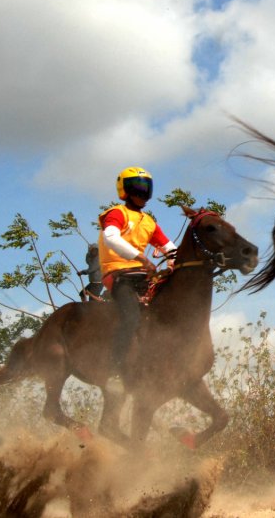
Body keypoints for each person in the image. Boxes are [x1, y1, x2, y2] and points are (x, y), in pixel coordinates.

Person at [97, 166, 176, 394]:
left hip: (143, 276)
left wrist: (173, 261)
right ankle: (114, 370)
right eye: (138, 187)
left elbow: (169, 247)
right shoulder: (117, 213)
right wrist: (140, 257)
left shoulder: (149, 222)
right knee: (131, 317)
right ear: (125, 190)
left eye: (146, 188)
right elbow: (111, 237)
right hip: (118, 275)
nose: (143, 193)